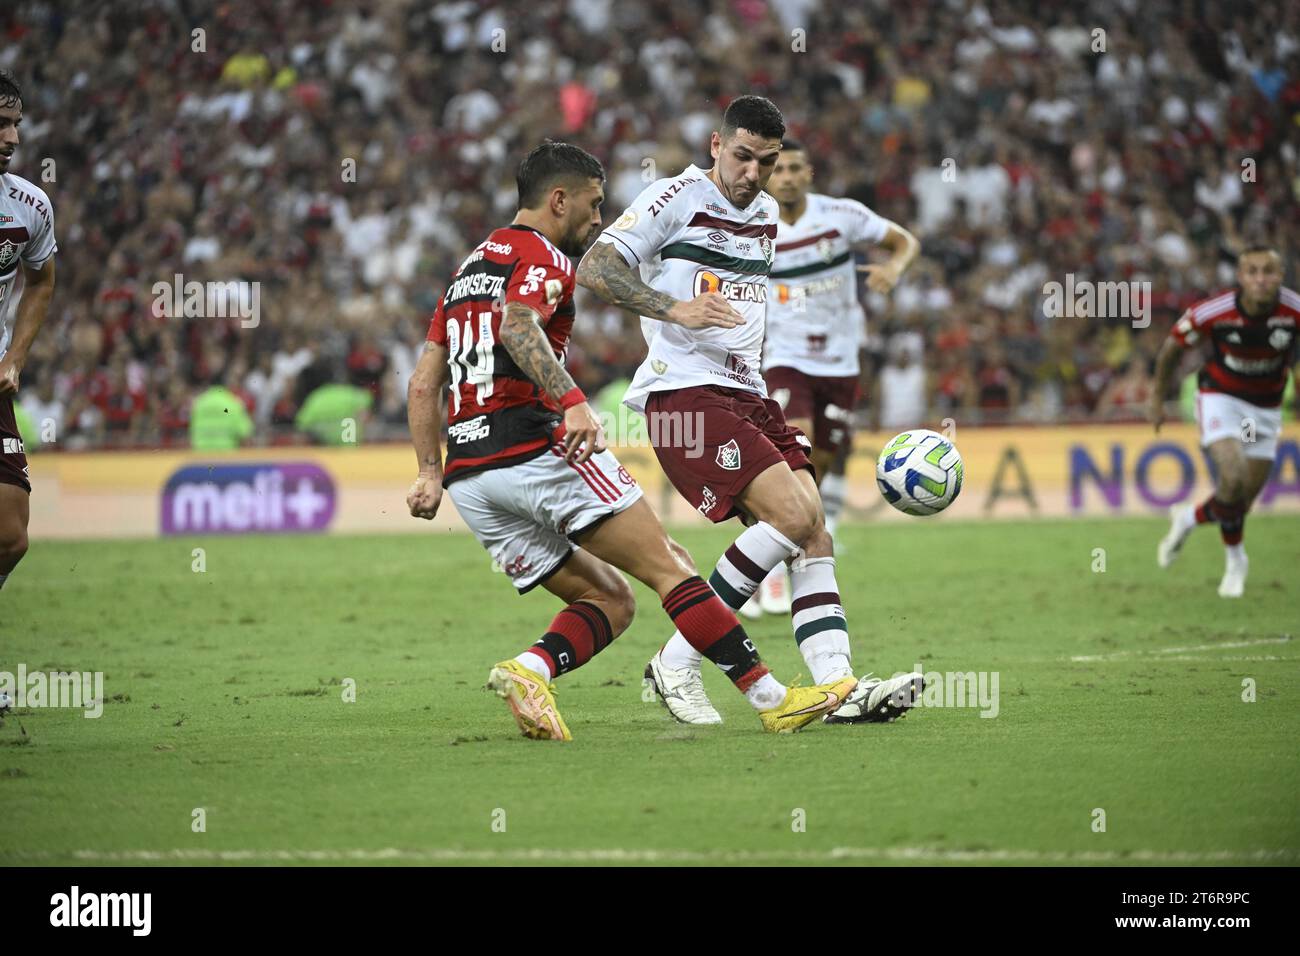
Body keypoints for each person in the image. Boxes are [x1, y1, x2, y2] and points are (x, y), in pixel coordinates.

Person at [406, 141, 855, 740]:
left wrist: (429, 471)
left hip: (470, 477)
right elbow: (518, 326)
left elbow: (423, 380)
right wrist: (572, 404)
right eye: (592, 205)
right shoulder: (541, 256)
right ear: (557, 199)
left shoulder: (466, 272)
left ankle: (528, 670)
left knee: (610, 600)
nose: (597, 219)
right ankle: (772, 698)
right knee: (673, 568)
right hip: (533, 450)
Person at [577, 97, 923, 725]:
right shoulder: (673, 197)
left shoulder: (766, 213)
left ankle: (838, 689)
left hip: (748, 392)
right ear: (715, 145)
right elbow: (595, 267)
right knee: (792, 514)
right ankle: (676, 660)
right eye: (741, 157)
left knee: (814, 527)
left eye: (766, 162)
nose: (752, 173)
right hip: (682, 392)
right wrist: (671, 306)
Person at [748, 138, 922, 616]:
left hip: (841, 358)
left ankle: (786, 544)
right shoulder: (753, 223)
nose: (785, 176)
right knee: (795, 450)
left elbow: (906, 241)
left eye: (794, 168)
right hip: (785, 355)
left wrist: (894, 268)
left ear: (810, 174)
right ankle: (774, 566)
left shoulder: (842, 215)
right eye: (776, 169)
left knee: (820, 462)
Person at [1150, 243, 1300, 597]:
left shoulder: (1293, 311)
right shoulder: (1213, 312)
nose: (1261, 279)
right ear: (1241, 277)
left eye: (1268, 271)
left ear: (1280, 276)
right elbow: (1173, 346)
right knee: (1230, 477)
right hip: (1222, 399)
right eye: (1253, 272)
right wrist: (1157, 396)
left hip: (1264, 410)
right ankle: (1236, 561)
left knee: (1240, 501)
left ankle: (1189, 518)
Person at [0, 71, 57, 593]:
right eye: (0, 124)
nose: (12, 138)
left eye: (15, 124)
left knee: (12, 536)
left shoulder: (30, 206)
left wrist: (14, 357)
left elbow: (40, 282)